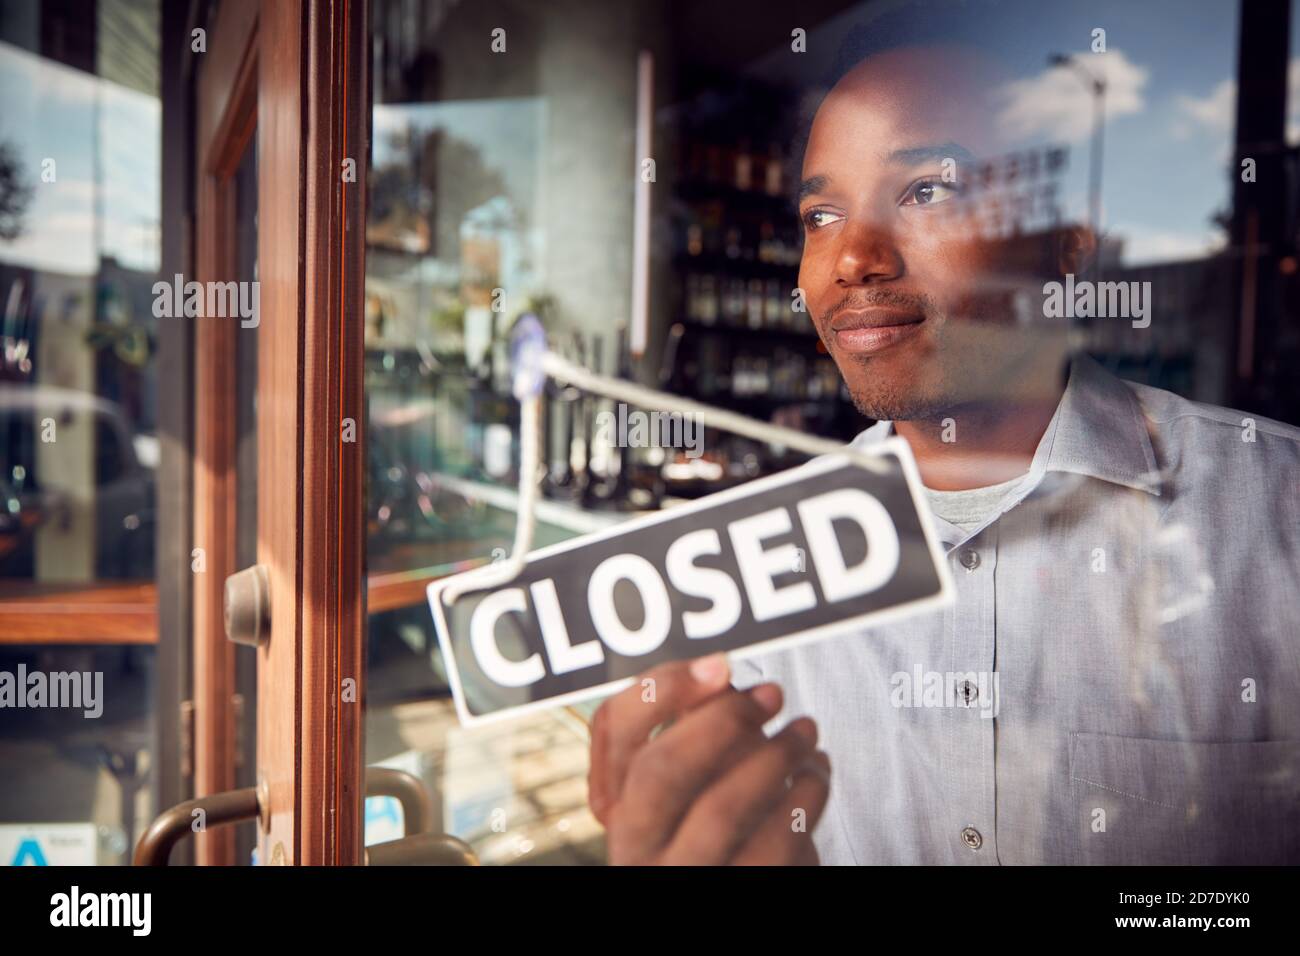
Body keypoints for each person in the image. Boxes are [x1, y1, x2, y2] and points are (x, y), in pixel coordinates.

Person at [586, 36, 1300, 865]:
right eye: (822, 216)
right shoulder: (765, 565)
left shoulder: (1278, 515)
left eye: (926, 191)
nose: (854, 259)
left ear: (1068, 238)